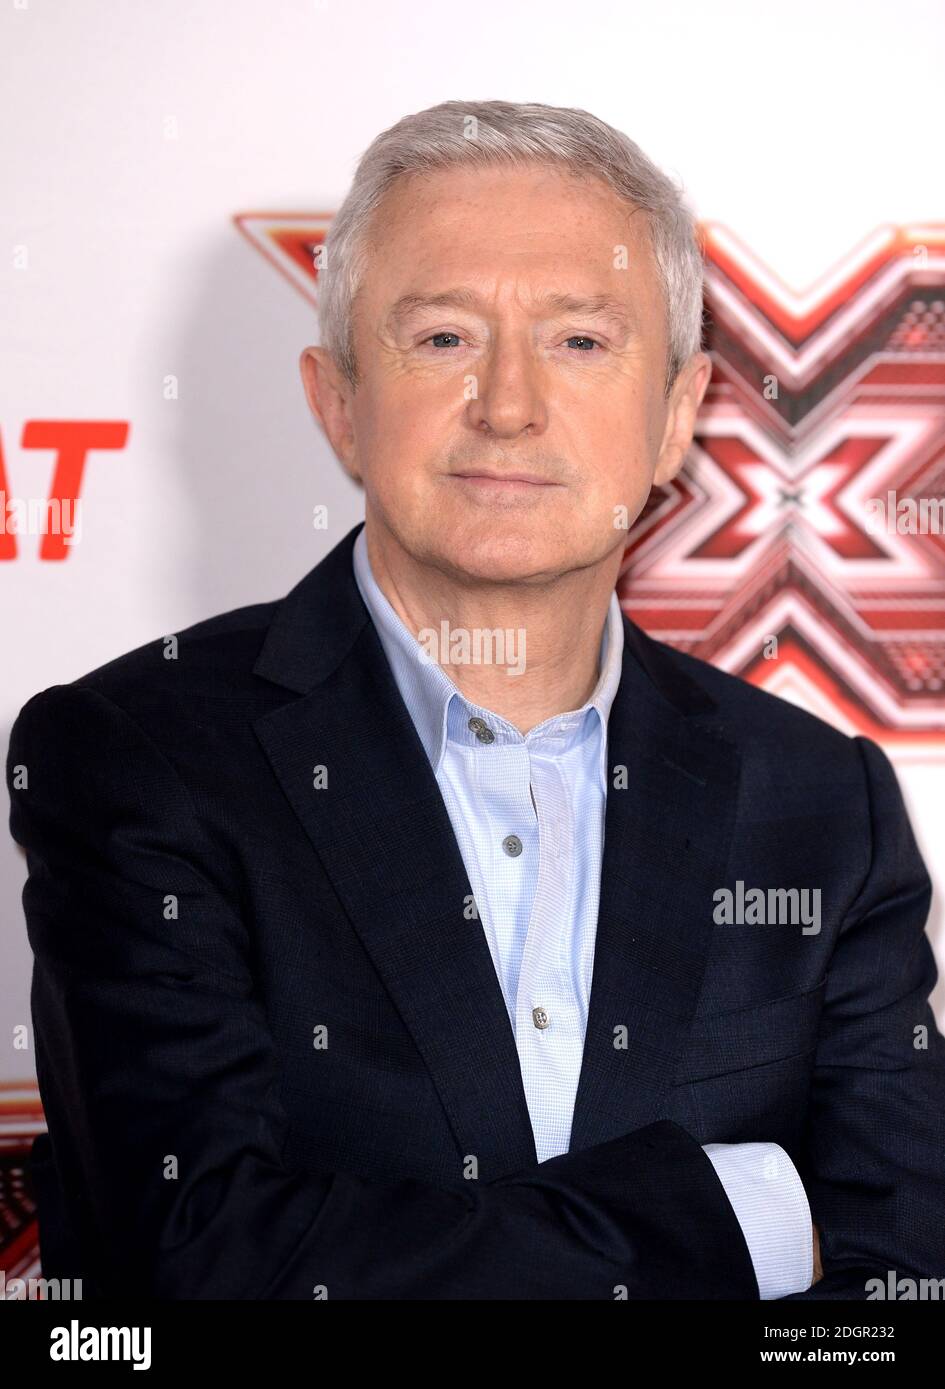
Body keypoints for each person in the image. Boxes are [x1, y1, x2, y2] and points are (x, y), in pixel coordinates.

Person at [7, 100, 944, 1300]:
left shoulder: (819, 801)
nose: (508, 405)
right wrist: (737, 1217)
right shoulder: (138, 759)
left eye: (581, 342)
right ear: (339, 400)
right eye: (444, 338)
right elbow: (199, 1266)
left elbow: (898, 1296)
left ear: (674, 416)